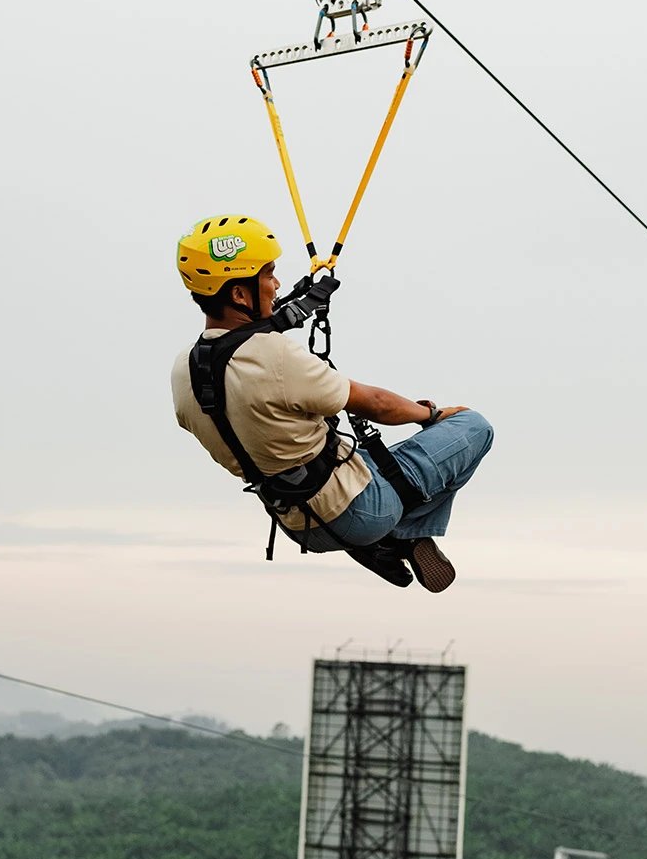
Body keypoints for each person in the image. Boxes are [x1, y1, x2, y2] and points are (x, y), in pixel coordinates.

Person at [172, 215, 493, 591]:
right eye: (269, 275)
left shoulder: (185, 371)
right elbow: (376, 404)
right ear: (240, 295)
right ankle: (400, 533)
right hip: (361, 509)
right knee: (474, 427)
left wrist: (305, 302)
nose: (276, 285)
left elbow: (246, 352)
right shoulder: (274, 357)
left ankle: (382, 537)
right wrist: (432, 414)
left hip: (300, 524)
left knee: (328, 459)